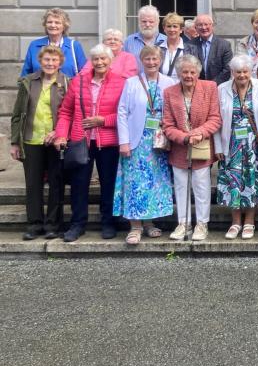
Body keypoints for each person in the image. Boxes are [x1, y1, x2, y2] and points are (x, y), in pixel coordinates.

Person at [54, 44, 125, 242]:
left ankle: (108, 222)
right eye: (96, 59)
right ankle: (77, 224)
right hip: (81, 140)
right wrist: (61, 134)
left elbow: (125, 113)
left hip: (109, 141)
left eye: (103, 59)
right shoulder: (79, 81)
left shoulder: (121, 82)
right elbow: (66, 112)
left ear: (110, 61)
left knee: (108, 183)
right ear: (91, 61)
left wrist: (103, 120)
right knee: (79, 184)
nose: (100, 62)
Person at [113, 46, 177, 245]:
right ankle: (135, 226)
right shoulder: (131, 83)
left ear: (160, 61)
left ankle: (149, 223)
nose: (151, 62)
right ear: (142, 61)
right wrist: (124, 141)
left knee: (154, 183)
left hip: (159, 142)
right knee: (135, 184)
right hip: (136, 141)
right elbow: (122, 112)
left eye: (155, 59)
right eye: (147, 59)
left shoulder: (169, 82)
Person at [10, 45, 69, 240]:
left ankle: (53, 225)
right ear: (40, 61)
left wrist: (57, 132)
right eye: (46, 60)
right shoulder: (28, 82)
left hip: (56, 141)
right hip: (31, 139)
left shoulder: (66, 83)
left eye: (54, 60)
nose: (50, 63)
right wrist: (15, 143)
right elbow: (17, 114)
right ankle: (34, 224)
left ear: (60, 62)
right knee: (33, 184)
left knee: (55, 183)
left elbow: (70, 113)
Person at [162, 54, 222, 241]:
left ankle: (202, 224)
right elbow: (167, 124)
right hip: (180, 148)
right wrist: (184, 137)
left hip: (202, 146)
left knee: (202, 186)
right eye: (184, 72)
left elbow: (215, 117)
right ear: (179, 73)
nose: (188, 75)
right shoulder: (169, 92)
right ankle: (184, 223)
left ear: (198, 72)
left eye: (192, 72)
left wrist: (200, 133)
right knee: (181, 187)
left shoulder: (210, 87)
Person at [214, 55, 258, 240]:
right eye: (238, 72)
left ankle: (250, 222)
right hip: (231, 144)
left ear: (250, 71)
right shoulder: (222, 89)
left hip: (254, 144)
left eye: (245, 71)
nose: (242, 75)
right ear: (232, 73)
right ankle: (236, 221)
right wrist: (218, 147)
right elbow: (216, 119)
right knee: (234, 182)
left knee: (252, 181)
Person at [21, 7, 86, 78]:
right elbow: (25, 76)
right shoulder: (34, 45)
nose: (53, 25)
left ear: (64, 26)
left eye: (57, 22)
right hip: (40, 88)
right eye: (49, 22)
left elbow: (84, 75)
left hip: (67, 88)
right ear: (45, 25)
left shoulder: (74, 46)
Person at [191, 13, 233, 84]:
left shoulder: (224, 45)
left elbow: (227, 69)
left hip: (218, 87)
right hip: (195, 86)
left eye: (206, 24)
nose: (203, 27)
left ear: (212, 26)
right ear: (196, 28)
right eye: (200, 25)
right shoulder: (190, 45)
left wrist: (211, 85)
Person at [123, 5, 166, 71]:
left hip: (161, 80)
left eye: (151, 22)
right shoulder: (128, 41)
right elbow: (123, 64)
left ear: (158, 22)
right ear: (139, 21)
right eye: (144, 21)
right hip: (135, 80)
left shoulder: (166, 40)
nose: (147, 25)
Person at [159, 12, 193, 78]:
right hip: (162, 87)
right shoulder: (157, 48)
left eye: (175, 26)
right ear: (164, 28)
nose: (172, 30)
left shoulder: (191, 49)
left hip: (183, 87)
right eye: (169, 26)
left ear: (181, 30)